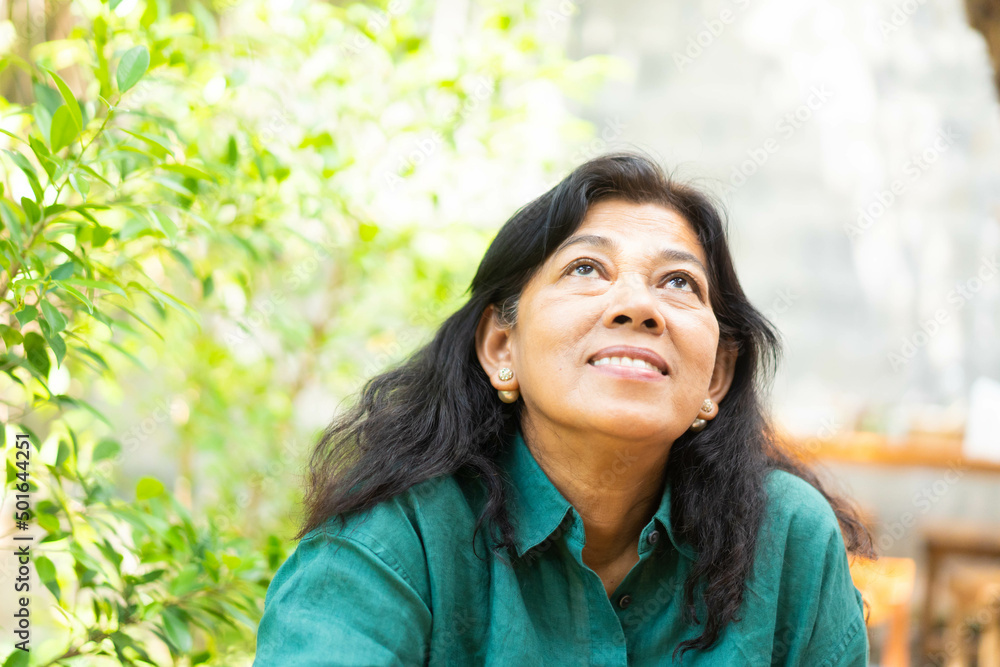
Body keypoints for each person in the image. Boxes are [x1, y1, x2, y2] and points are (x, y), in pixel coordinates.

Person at [252, 152, 875, 666]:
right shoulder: (401, 532)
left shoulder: (787, 537)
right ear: (503, 347)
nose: (639, 306)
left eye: (679, 282)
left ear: (716, 376)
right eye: (586, 268)